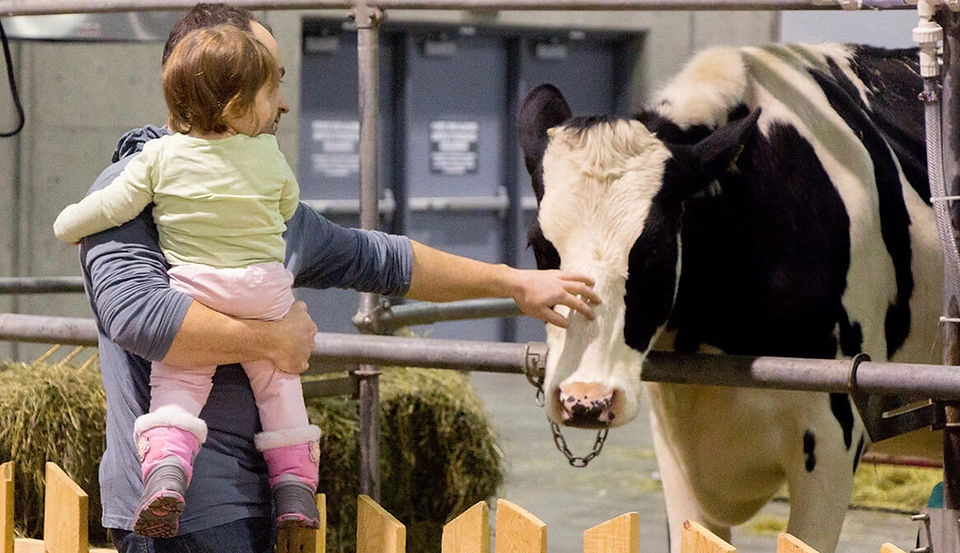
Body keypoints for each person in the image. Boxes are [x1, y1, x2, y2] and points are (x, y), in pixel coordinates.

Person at [78, 4, 600, 553]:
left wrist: (511, 283)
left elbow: (377, 257)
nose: (283, 101)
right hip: (182, 518)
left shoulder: (254, 199)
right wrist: (273, 339)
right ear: (222, 90)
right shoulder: (133, 189)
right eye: (269, 81)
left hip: (256, 499)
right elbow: (134, 314)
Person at [55, 24, 322, 538]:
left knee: (178, 385)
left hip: (196, 289)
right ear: (239, 104)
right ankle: (293, 484)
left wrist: (67, 227)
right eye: (271, 90)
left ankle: (166, 473)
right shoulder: (270, 158)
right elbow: (289, 210)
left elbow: (109, 208)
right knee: (279, 383)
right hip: (263, 290)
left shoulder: (155, 159)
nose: (281, 105)